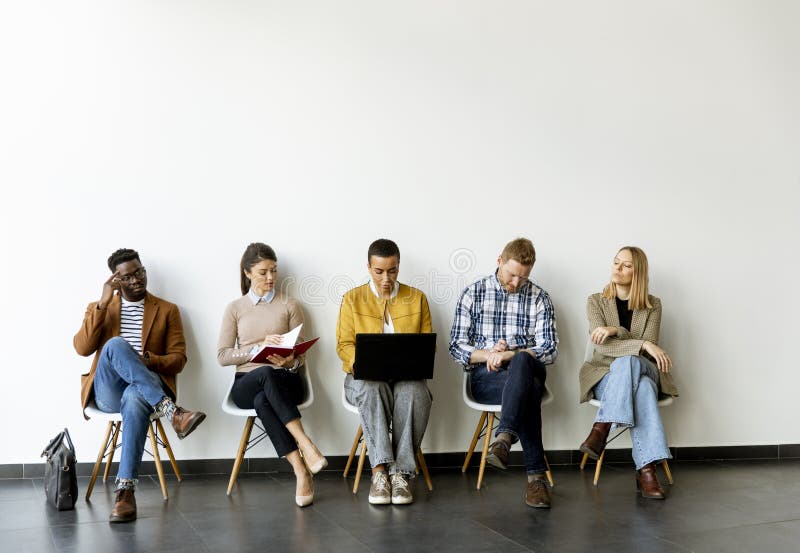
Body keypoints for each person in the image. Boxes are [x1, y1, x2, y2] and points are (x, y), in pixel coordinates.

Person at [74, 248, 207, 523]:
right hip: (109, 391)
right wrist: (102, 302)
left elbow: (179, 359)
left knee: (135, 399)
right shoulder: (100, 308)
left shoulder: (167, 310)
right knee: (115, 345)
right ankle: (173, 412)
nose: (137, 279)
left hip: (142, 391)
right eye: (128, 276)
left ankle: (125, 493)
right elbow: (82, 347)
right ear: (116, 280)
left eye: (140, 272)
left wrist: (147, 360)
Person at [449, 237, 558, 508]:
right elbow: (455, 346)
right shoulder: (473, 293)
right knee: (528, 391)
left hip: (528, 367)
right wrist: (490, 355)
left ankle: (504, 437)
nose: (516, 283)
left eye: (523, 278)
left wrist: (511, 354)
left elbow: (550, 349)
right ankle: (536, 479)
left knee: (522, 362)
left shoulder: (540, 298)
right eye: (512, 275)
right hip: (488, 377)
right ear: (499, 261)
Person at [217, 242, 327, 507]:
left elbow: (300, 356)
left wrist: (290, 361)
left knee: (263, 399)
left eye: (274, 271)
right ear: (247, 273)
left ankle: (300, 471)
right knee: (263, 375)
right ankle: (306, 445)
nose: (270, 278)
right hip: (246, 382)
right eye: (263, 272)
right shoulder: (235, 308)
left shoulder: (290, 305)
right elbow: (222, 356)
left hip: (285, 380)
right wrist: (257, 349)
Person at [337, 239, 433, 505]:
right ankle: (379, 472)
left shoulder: (417, 298)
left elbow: (427, 346)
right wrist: (361, 363)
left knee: (415, 391)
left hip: (405, 377)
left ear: (398, 266)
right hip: (364, 378)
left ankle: (400, 473)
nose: (385, 277)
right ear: (368, 267)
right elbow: (344, 345)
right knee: (371, 387)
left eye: (392, 270)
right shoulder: (352, 298)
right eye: (379, 271)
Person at [578, 246, 678, 499]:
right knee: (639, 384)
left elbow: (644, 356)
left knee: (630, 362)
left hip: (646, 368)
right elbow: (603, 345)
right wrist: (640, 341)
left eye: (626, 265)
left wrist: (620, 334)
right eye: (615, 262)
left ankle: (601, 428)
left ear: (638, 273)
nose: (617, 268)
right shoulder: (595, 301)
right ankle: (646, 471)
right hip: (605, 374)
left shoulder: (653, 305)